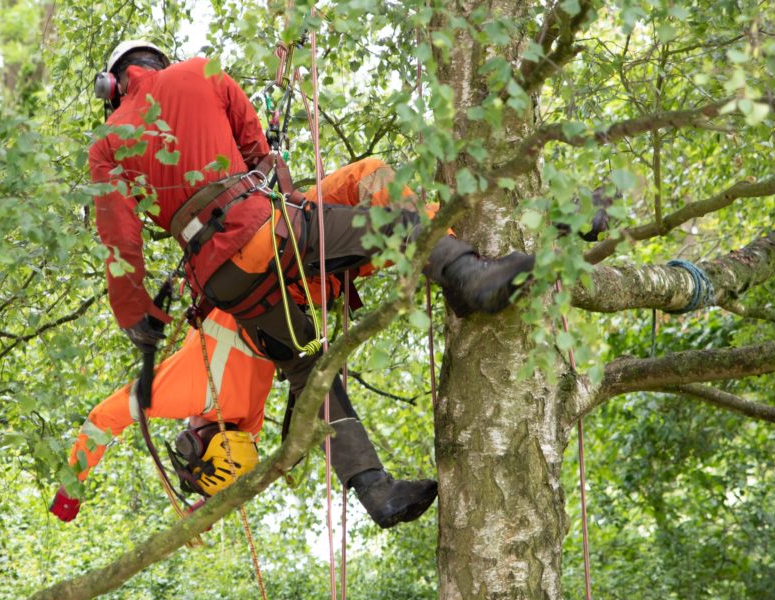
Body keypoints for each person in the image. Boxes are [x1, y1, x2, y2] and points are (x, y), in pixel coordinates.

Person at [87, 40, 535, 528]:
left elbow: (119, 240)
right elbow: (256, 150)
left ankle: (374, 491)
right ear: (157, 64)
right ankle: (467, 278)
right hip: (261, 234)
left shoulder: (108, 144)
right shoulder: (199, 72)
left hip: (223, 284)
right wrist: (285, 198)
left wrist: (135, 315)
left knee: (309, 373)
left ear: (114, 87)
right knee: (397, 223)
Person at [49, 307, 276, 521]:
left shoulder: (247, 417)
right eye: (190, 451)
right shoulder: (195, 391)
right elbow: (103, 419)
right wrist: (72, 482)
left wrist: (209, 507)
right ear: (196, 443)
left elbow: (240, 460)